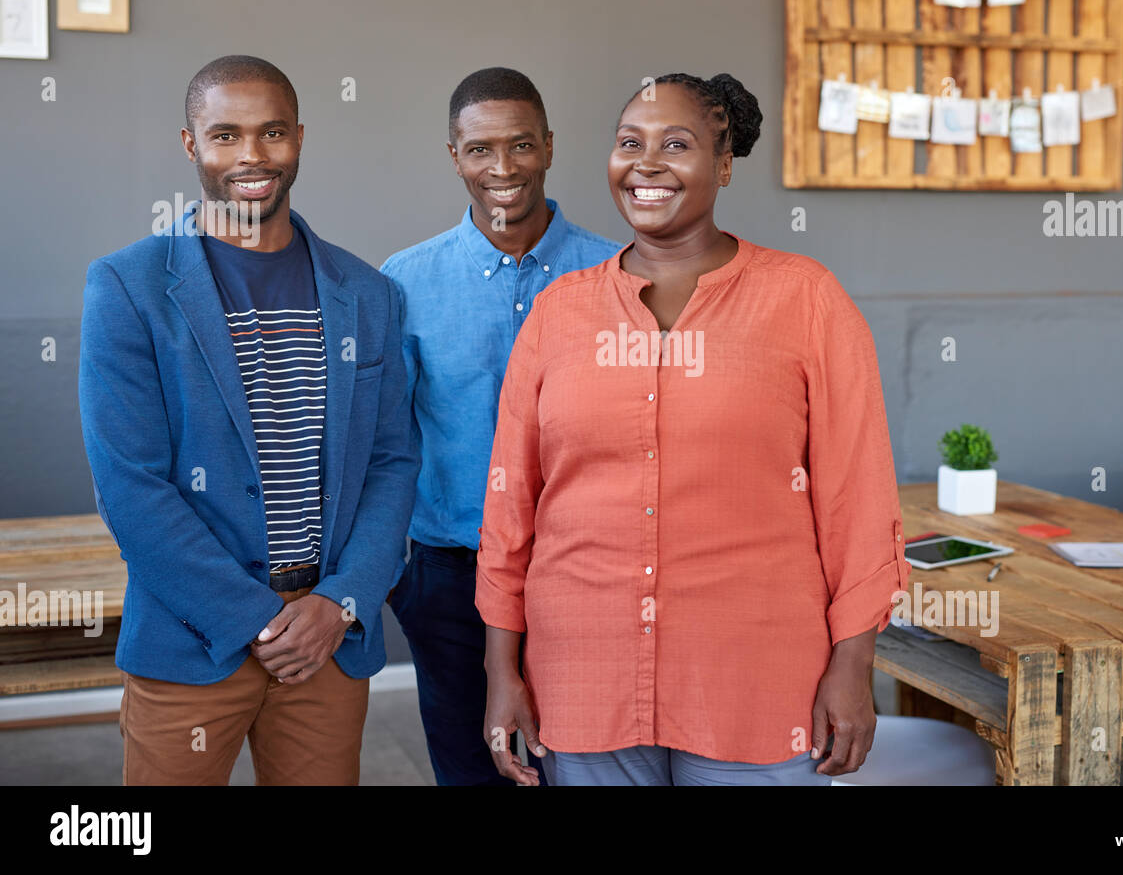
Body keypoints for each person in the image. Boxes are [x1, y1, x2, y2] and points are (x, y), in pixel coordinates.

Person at [476, 72, 911, 785]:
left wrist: (853, 662)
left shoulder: (806, 300)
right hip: (584, 679)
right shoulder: (559, 314)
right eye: (629, 144)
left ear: (724, 163)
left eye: (675, 144)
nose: (645, 163)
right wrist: (502, 668)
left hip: (758, 685)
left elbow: (858, 503)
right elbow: (510, 510)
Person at [78, 55, 419, 785]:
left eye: (271, 133)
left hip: (330, 639)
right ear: (190, 144)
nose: (252, 156)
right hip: (193, 635)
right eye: (225, 135)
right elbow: (130, 488)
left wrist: (339, 602)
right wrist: (255, 620)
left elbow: (393, 464)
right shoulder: (129, 285)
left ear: (300, 136)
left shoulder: (368, 292)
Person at [381, 67, 619, 785]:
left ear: (548, 146)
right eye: (480, 149)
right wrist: (399, 576)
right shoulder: (405, 281)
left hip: (582, 571)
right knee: (472, 768)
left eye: (520, 145)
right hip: (448, 574)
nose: (503, 168)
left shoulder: (617, 271)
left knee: (584, 765)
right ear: (455, 156)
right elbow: (387, 443)